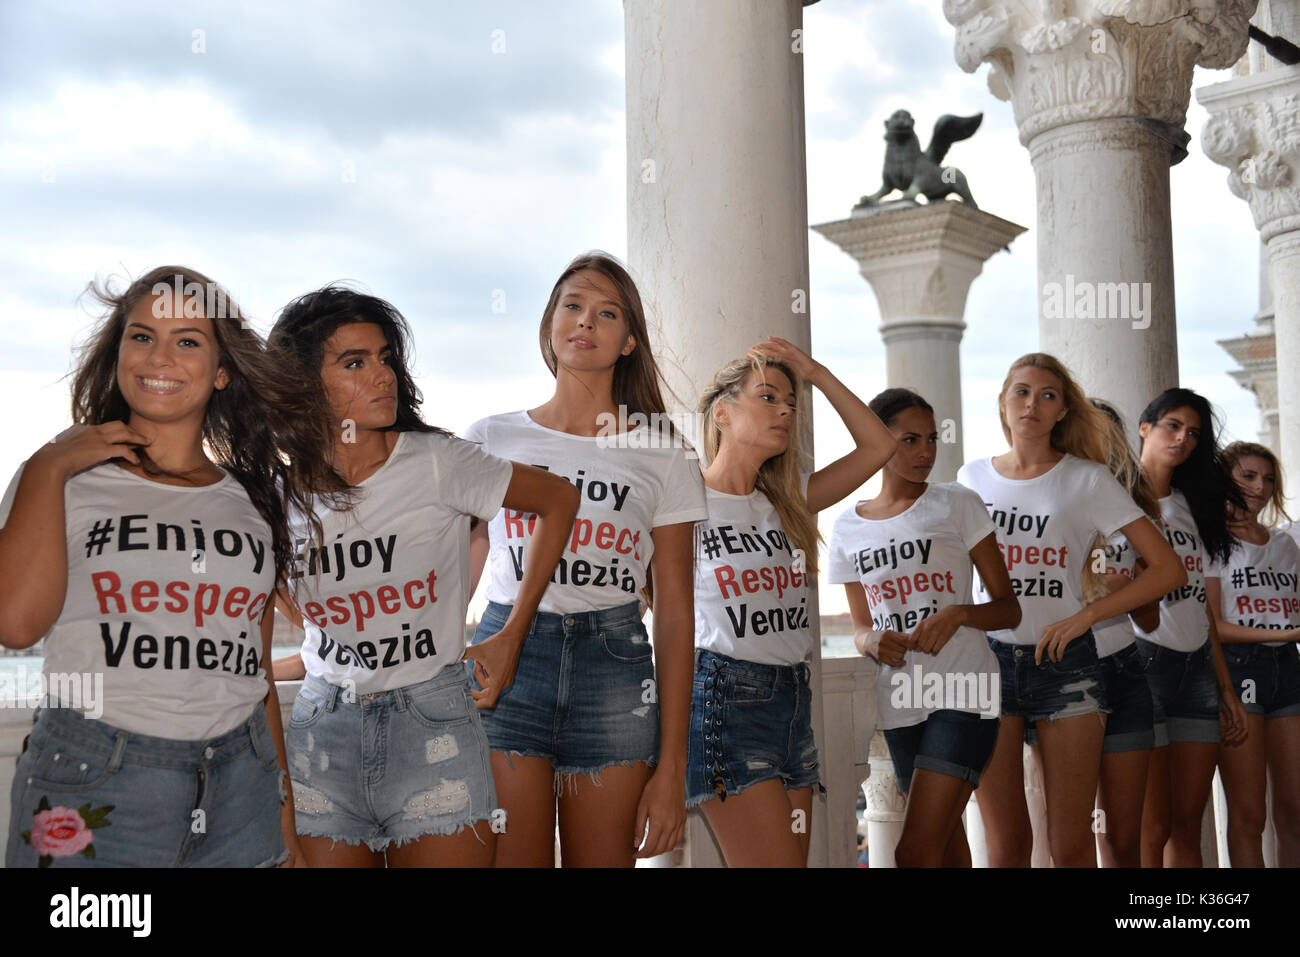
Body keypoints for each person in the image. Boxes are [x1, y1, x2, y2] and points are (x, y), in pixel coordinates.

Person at [2, 265, 328, 867]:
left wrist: (288, 832)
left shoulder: (254, 501)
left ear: (223, 370)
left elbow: (252, 675)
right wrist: (49, 466)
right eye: (142, 335)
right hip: (96, 771)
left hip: (241, 783)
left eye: (188, 340)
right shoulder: (62, 476)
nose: (160, 356)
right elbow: (16, 624)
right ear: (119, 350)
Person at [267, 285, 579, 867]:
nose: (382, 375)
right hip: (323, 733)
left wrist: (511, 633)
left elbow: (559, 499)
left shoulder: (437, 463)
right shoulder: (279, 498)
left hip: (434, 724)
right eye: (354, 363)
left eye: (385, 357)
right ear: (304, 382)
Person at [464, 251, 707, 867]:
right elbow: (456, 562)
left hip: (616, 670)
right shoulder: (491, 439)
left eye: (606, 313)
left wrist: (672, 765)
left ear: (628, 342)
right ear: (549, 322)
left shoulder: (663, 456)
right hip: (506, 661)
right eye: (572, 305)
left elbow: (676, 613)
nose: (585, 322)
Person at [956, 353, 1186, 867]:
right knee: (1006, 843)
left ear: (1063, 411)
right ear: (1001, 401)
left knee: (1070, 842)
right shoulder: (970, 478)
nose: (1031, 404)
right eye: (1021, 391)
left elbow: (1168, 569)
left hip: (1068, 666)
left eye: (1047, 395)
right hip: (988, 665)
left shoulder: (1086, 479)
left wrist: (1086, 616)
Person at [688, 340, 896, 866]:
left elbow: (879, 447)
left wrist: (817, 373)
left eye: (790, 402)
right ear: (723, 413)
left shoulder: (786, 501)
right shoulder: (683, 502)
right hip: (724, 699)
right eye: (768, 397)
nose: (785, 411)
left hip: (792, 700)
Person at [830, 388, 1019, 867]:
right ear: (877, 441)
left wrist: (960, 613)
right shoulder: (848, 527)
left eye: (931, 439)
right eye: (910, 440)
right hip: (902, 699)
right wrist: (872, 640)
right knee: (946, 849)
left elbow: (1008, 609)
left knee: (913, 850)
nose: (926, 452)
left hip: (964, 688)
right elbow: (860, 627)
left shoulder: (958, 504)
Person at [1132, 388, 1248, 867]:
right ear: (1146, 427)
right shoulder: (1116, 497)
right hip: (1143, 663)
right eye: (1173, 426)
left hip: (1197, 665)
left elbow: (1201, 606)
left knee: (1187, 821)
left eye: (1193, 433)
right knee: (1150, 824)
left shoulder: (1189, 506)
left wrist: (1226, 688)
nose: (1182, 438)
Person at [1204, 440, 1300, 866]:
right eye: (1248, 476)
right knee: (1248, 814)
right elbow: (1211, 626)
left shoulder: (1285, 545)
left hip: (1288, 668)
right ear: (1224, 479)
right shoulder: (1210, 542)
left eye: (1268, 478)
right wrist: (1285, 632)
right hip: (1237, 669)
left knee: (1295, 809)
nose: (1260, 486)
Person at [1080, 399, 1163, 867]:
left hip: (1125, 669)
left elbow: (1148, 619)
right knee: (1069, 833)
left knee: (1123, 838)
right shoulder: (1043, 501)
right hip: (1064, 671)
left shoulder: (1134, 513)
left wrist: (1131, 589)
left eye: (1107, 435)